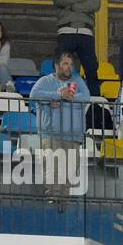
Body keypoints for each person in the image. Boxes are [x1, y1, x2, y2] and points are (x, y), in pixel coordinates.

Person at [28, 51, 91, 196]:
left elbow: (86, 96)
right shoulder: (45, 81)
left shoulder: (78, 80)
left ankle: (62, 205)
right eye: (65, 64)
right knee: (52, 171)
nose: (69, 67)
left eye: (71, 64)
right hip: (51, 135)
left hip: (74, 136)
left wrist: (67, 97)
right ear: (56, 65)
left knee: (69, 174)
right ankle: (53, 203)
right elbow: (34, 95)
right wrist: (57, 95)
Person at [52, 0, 101, 95]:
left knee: (91, 68)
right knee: (61, 65)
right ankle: (58, 93)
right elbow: (61, 0)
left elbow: (96, 4)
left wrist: (74, 6)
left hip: (86, 33)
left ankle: (94, 100)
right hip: (66, 32)